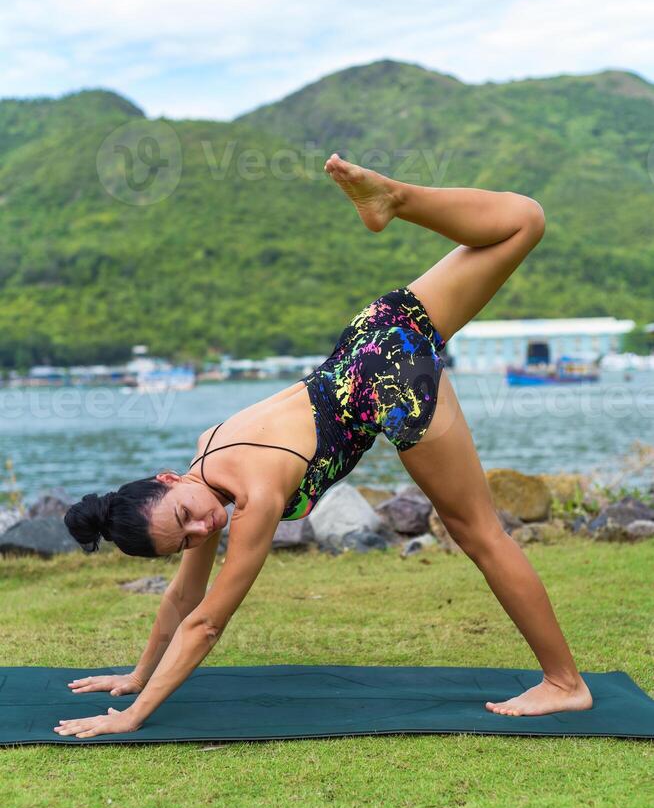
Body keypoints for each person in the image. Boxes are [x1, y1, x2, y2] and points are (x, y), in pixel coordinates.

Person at [58, 154, 593, 738]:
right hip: (371, 333)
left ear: (168, 478)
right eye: (183, 540)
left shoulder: (257, 497)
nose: (203, 530)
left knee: (478, 532)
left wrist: (136, 715)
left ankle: (565, 684)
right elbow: (185, 594)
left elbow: (207, 621)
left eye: (186, 519)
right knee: (524, 220)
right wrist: (137, 675)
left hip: (388, 381)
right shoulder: (204, 456)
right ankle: (396, 199)